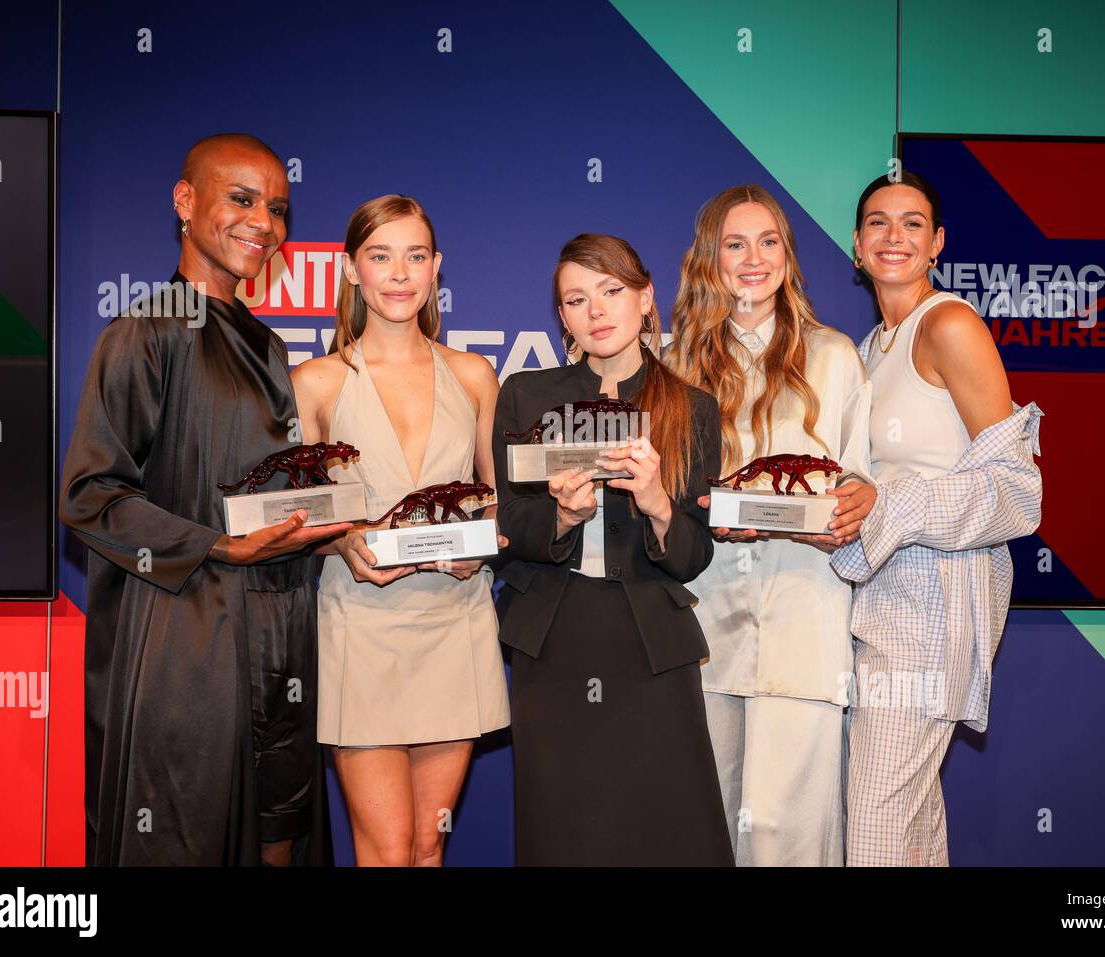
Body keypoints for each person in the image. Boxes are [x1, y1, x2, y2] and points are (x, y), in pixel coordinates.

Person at [60, 133, 352, 865]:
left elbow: (267, 486)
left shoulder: (268, 344)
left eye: (278, 208)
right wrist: (220, 545)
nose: (266, 223)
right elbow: (90, 493)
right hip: (187, 651)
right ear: (185, 202)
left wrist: (334, 521)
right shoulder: (146, 328)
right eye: (243, 199)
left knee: (280, 834)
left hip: (279, 639)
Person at [493, 233, 733, 866]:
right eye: (576, 299)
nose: (596, 311)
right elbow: (508, 527)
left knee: (664, 831)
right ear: (564, 317)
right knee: (564, 831)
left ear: (646, 299)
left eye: (611, 291)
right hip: (555, 635)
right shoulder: (526, 394)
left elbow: (693, 555)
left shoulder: (690, 407)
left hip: (650, 639)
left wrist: (657, 505)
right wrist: (563, 518)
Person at [828, 171, 1043, 866]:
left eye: (913, 223)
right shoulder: (864, 352)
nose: (895, 236)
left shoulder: (949, 324)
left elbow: (1018, 489)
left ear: (937, 242)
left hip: (938, 597)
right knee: (906, 828)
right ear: (856, 245)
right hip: (879, 600)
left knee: (876, 827)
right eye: (879, 223)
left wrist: (891, 503)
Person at [291, 195, 509, 867]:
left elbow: (498, 502)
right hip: (360, 626)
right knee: (385, 850)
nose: (399, 273)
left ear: (436, 266)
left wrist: (482, 548)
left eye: (416, 256)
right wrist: (342, 541)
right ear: (351, 269)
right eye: (380, 256)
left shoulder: (473, 375)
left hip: (452, 623)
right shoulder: (317, 381)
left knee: (424, 843)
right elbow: (300, 517)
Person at [666, 184, 874, 866]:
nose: (752, 258)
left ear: (787, 253)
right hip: (705, 631)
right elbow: (665, 503)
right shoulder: (677, 365)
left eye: (768, 241)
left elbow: (859, 482)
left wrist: (848, 508)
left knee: (790, 842)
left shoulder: (835, 356)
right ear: (710, 259)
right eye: (734, 243)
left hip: (803, 626)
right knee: (709, 833)